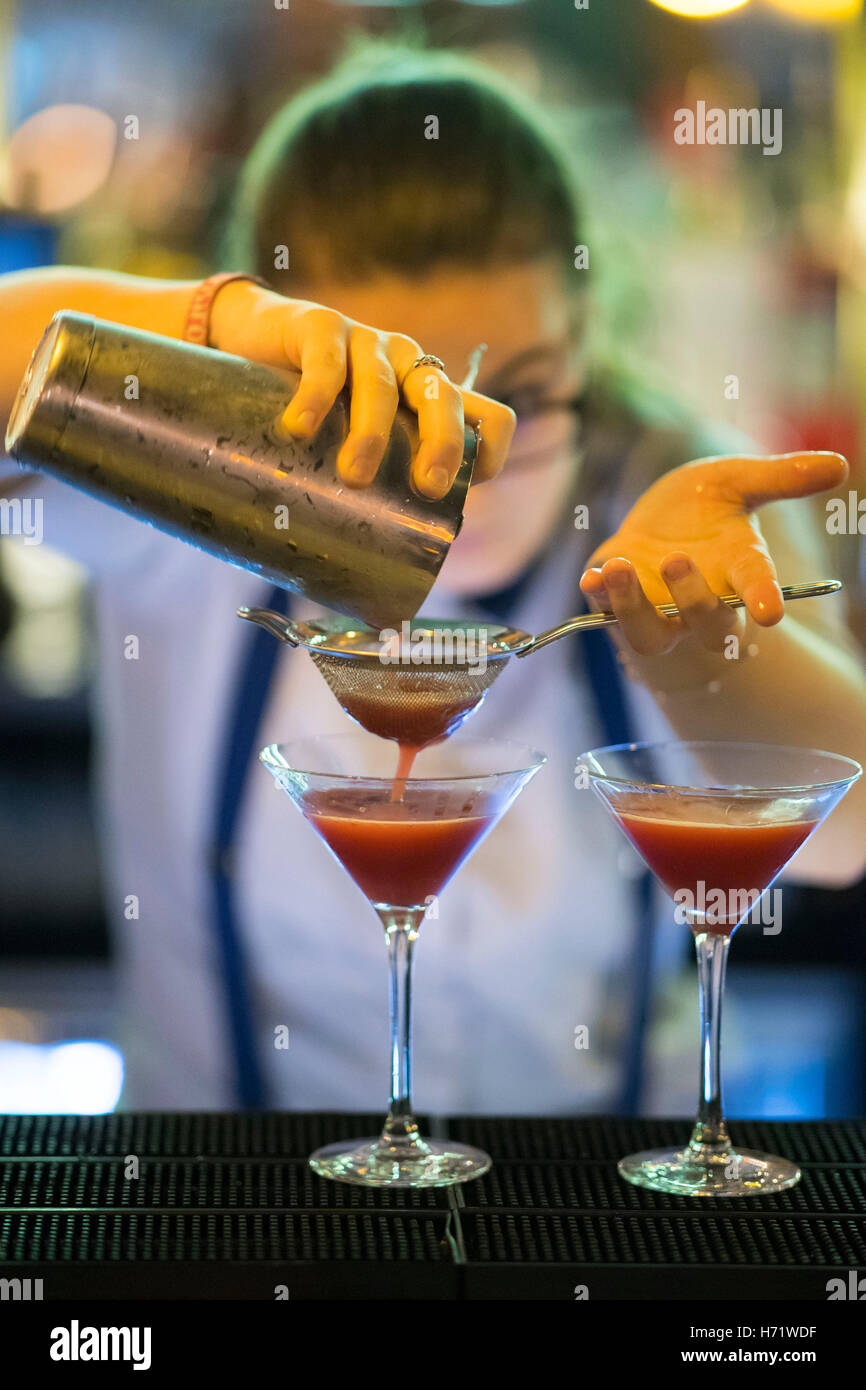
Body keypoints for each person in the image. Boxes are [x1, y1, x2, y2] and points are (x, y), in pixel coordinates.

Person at [1, 43, 865, 1115]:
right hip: (219, 1178)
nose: (466, 474)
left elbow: (845, 833)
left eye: (523, 398)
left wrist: (705, 656)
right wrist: (213, 320)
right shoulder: (176, 481)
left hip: (593, 1191)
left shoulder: (678, 490)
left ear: (589, 340)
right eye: (391, 411)